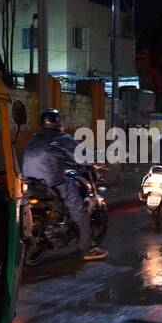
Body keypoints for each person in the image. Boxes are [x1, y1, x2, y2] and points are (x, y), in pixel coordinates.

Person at [22, 108, 108, 261]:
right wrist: (96, 161)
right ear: (57, 122)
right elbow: (82, 156)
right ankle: (88, 249)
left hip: (30, 181)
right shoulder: (62, 138)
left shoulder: (35, 138)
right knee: (80, 211)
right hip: (52, 182)